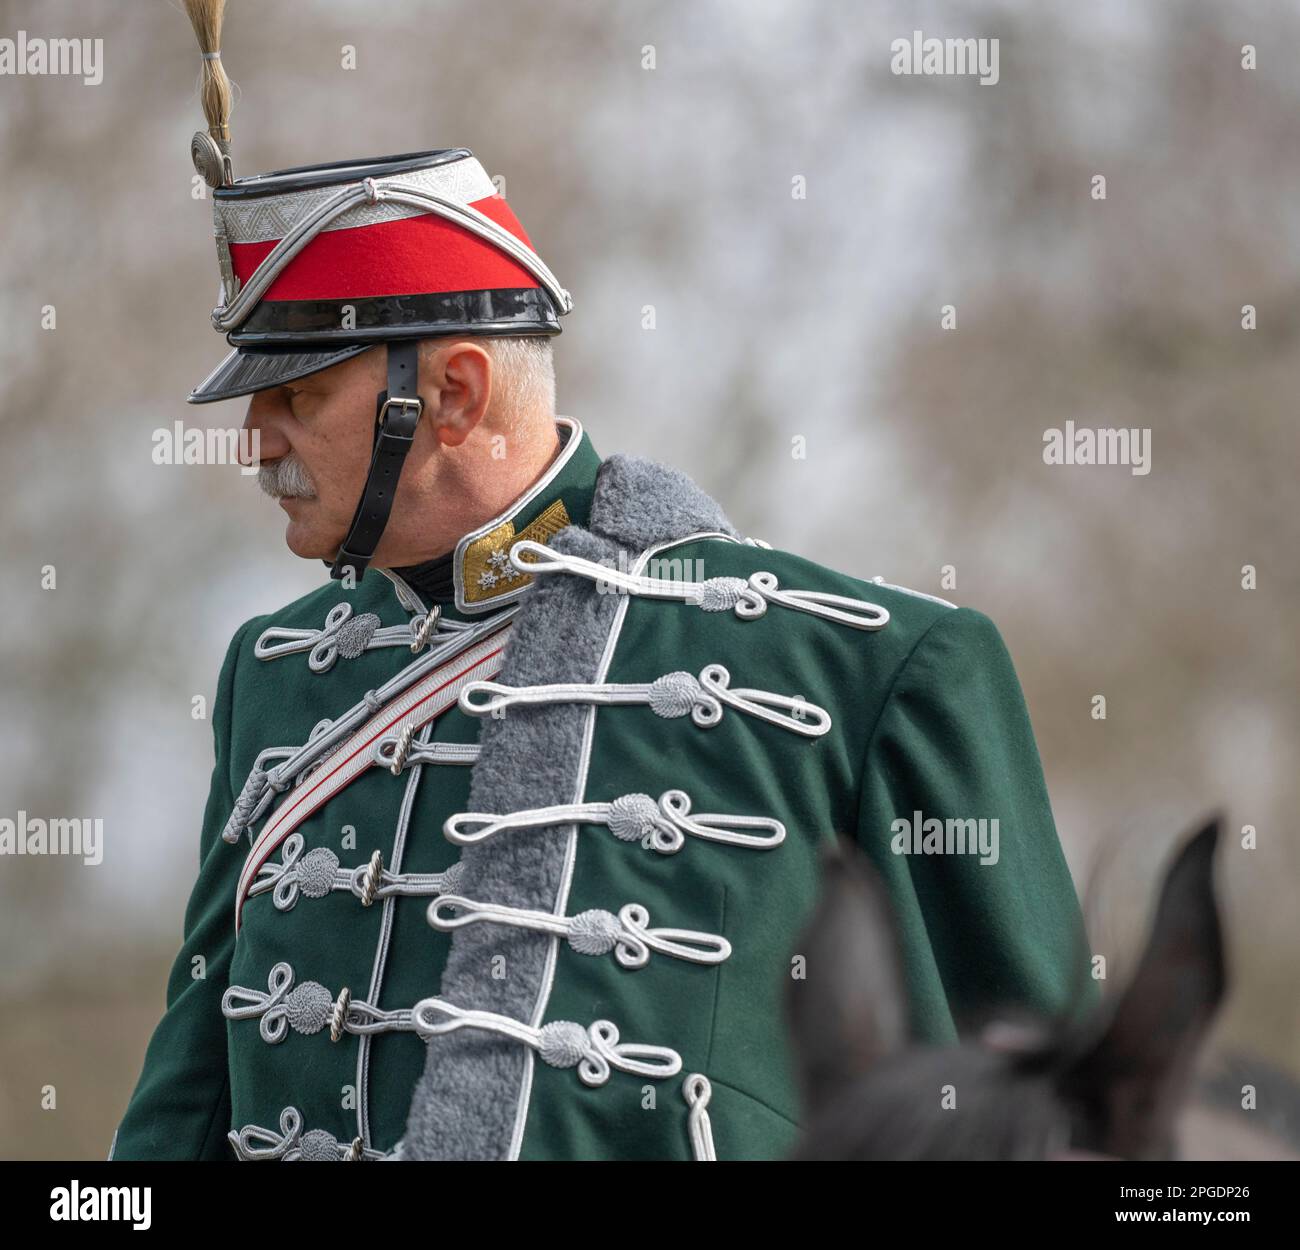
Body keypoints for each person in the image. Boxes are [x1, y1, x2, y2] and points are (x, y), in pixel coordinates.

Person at [110, 3, 1090, 1161]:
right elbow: (184, 1105)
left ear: (458, 395)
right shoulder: (271, 673)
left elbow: (1059, 1109)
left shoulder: (868, 668)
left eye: (298, 397)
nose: (255, 442)